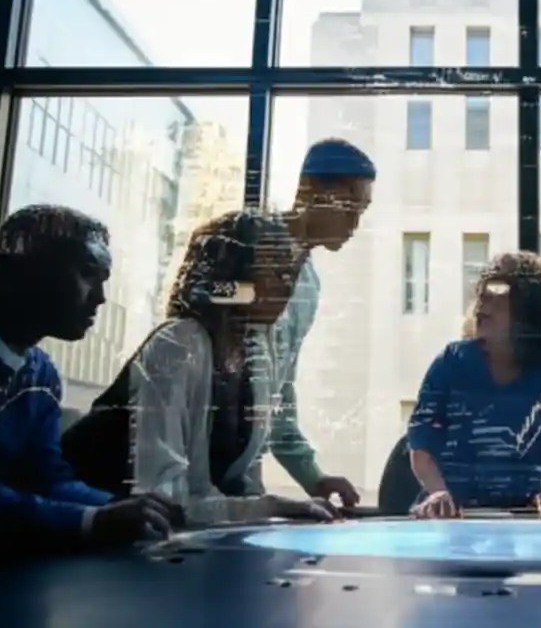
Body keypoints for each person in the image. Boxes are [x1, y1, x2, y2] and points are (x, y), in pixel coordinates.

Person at [0, 205, 182, 566]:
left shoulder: (41, 375)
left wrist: (133, 510)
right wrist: (93, 521)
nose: (100, 297)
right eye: (87, 273)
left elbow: (47, 478)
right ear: (21, 270)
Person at [63, 210, 336, 525]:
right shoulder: (178, 345)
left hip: (159, 531)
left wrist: (285, 509)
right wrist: (272, 507)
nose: (287, 285)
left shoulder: (256, 352)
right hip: (90, 526)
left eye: (291, 272)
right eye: (275, 271)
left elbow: (239, 487)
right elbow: (167, 498)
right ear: (232, 277)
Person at [407, 252, 541, 518]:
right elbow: (421, 439)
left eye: (497, 300)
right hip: (451, 519)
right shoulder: (451, 362)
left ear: (529, 312)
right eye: (482, 297)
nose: (481, 308)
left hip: (528, 526)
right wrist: (438, 493)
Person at [260, 138, 376, 507]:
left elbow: (278, 392)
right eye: (349, 206)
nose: (355, 223)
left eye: (362, 210)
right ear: (309, 189)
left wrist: (313, 478)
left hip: (237, 478)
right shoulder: (252, 252)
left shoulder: (308, 283)